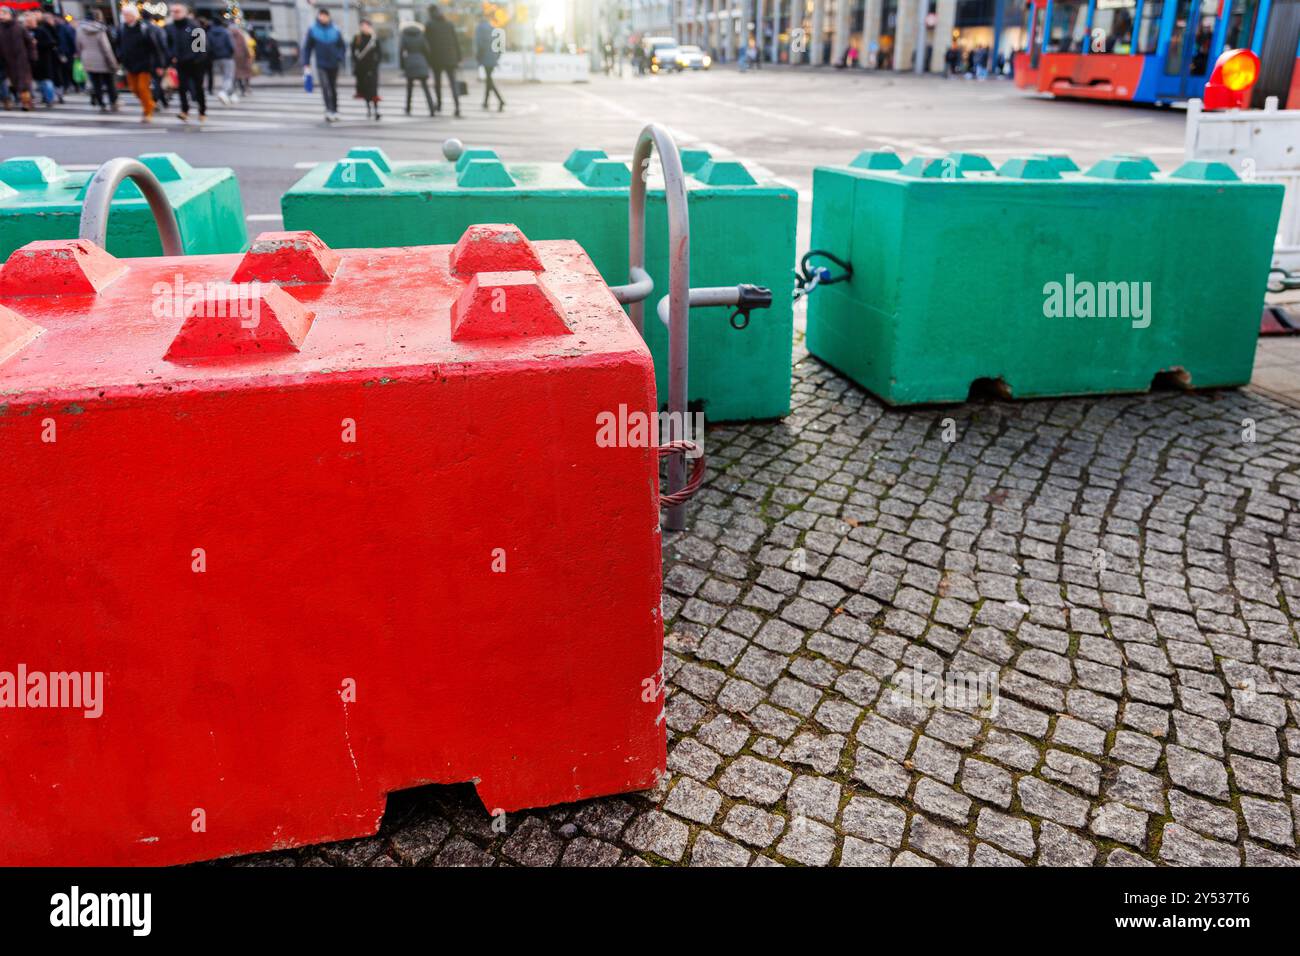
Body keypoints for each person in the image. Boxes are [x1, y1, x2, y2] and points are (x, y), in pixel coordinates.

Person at [116, 4, 165, 123]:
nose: (125, 17)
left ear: (134, 15)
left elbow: (155, 47)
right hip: (129, 64)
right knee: (134, 89)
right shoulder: (122, 28)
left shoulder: (144, 28)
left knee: (143, 88)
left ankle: (147, 111)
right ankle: (150, 103)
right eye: (124, 15)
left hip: (145, 63)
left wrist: (159, 64)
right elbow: (118, 45)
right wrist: (120, 57)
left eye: (127, 14)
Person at [165, 3, 208, 124]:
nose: (175, 14)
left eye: (177, 11)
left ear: (184, 12)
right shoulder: (170, 28)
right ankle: (184, 110)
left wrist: (197, 60)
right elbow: (167, 45)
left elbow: (202, 47)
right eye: (173, 11)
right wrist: (171, 56)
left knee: (198, 88)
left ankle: (202, 111)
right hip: (180, 62)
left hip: (195, 63)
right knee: (182, 88)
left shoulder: (194, 26)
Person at [301, 7, 345, 122]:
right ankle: (328, 110)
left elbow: (342, 46)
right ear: (318, 16)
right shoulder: (313, 30)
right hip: (321, 64)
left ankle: (335, 110)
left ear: (328, 17)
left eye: (325, 15)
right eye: (321, 15)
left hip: (334, 64)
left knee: (333, 87)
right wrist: (306, 63)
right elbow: (307, 48)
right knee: (325, 87)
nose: (323, 17)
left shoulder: (335, 29)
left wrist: (340, 57)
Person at [75, 10, 119, 113]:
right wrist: (113, 63)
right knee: (109, 83)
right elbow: (106, 48)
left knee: (96, 83)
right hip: (103, 60)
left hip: (88, 60)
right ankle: (113, 102)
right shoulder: (100, 29)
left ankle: (101, 104)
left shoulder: (79, 30)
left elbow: (78, 46)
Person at [424, 4, 459, 117]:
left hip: (436, 59)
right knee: (453, 83)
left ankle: (439, 105)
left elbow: (426, 44)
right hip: (450, 58)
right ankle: (457, 106)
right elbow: (455, 41)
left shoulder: (429, 25)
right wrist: (459, 57)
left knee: (437, 83)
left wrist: (428, 59)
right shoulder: (449, 24)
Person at [0, 6, 35, 111]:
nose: (1, 15)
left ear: (10, 14)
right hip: (6, 61)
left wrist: (32, 56)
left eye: (4, 13)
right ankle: (13, 100)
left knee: (24, 83)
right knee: (12, 83)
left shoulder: (19, 27)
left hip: (21, 60)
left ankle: (27, 103)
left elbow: (30, 43)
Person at [398, 21, 433, 116]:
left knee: (409, 88)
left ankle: (408, 108)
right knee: (426, 87)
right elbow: (427, 50)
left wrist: (402, 66)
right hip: (421, 61)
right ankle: (431, 109)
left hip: (410, 62)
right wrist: (427, 62)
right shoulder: (421, 35)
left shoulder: (404, 35)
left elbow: (401, 51)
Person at [26, 11, 59, 109]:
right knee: (39, 82)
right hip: (34, 61)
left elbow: (52, 43)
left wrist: (37, 44)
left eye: (30, 21)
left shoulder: (42, 30)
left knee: (46, 81)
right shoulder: (26, 31)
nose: (28, 23)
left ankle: (50, 99)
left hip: (44, 59)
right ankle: (45, 97)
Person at [351, 18, 380, 119]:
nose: (364, 27)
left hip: (372, 68)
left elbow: (379, 52)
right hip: (362, 69)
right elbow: (353, 51)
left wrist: (376, 64)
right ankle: (368, 109)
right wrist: (356, 62)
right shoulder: (357, 38)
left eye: (366, 25)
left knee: (374, 90)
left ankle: (376, 110)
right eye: (362, 25)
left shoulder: (374, 38)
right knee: (366, 90)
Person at [474, 11, 502, 111]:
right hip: (492, 57)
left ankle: (500, 100)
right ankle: (486, 102)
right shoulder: (491, 27)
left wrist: (478, 57)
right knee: (488, 80)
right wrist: (497, 56)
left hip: (485, 57)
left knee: (489, 80)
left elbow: (479, 44)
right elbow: (498, 43)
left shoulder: (479, 29)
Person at [208, 15, 236, 105]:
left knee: (225, 76)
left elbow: (208, 46)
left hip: (216, 58)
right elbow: (231, 45)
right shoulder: (226, 32)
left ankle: (231, 95)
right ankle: (223, 92)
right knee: (228, 76)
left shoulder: (210, 33)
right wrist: (231, 53)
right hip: (227, 57)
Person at [231, 21, 253, 97]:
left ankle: (239, 88)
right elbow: (245, 46)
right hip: (243, 57)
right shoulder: (242, 35)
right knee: (246, 72)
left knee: (237, 74)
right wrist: (248, 55)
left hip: (233, 57)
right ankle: (246, 88)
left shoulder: (230, 35)